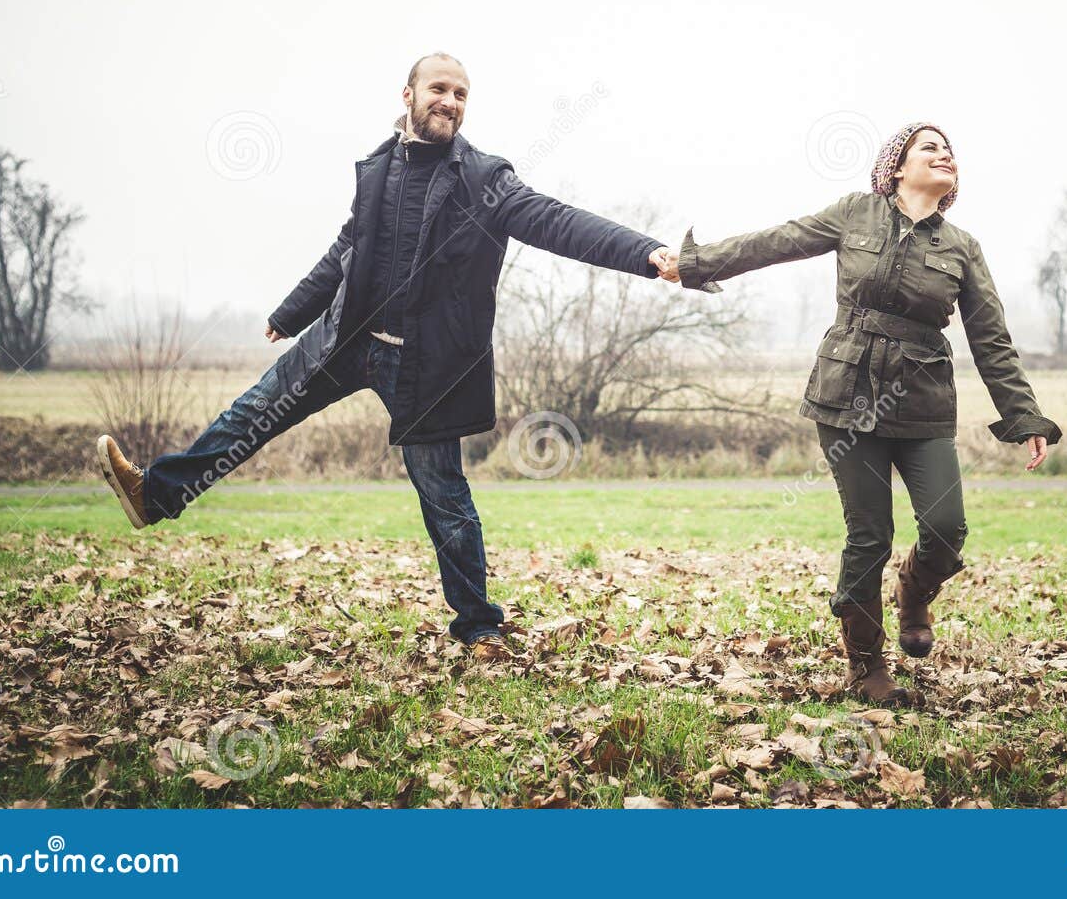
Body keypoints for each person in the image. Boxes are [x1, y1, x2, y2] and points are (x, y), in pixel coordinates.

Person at [96, 53, 677, 661]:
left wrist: (646, 253)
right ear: (408, 94)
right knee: (251, 414)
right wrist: (293, 313)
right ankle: (155, 495)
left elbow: (558, 221)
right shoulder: (377, 168)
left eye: (461, 93)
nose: (450, 101)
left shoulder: (485, 180)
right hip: (346, 340)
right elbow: (350, 245)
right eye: (439, 89)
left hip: (425, 367)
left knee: (443, 496)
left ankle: (479, 626)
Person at [660, 123, 1060, 704]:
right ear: (897, 165)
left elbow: (991, 339)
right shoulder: (855, 214)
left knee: (945, 531)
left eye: (950, 150)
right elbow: (777, 241)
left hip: (923, 404)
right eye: (931, 147)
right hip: (847, 396)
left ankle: (915, 591)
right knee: (869, 535)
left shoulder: (962, 247)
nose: (945, 154)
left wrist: (1024, 417)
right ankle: (868, 670)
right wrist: (697, 264)